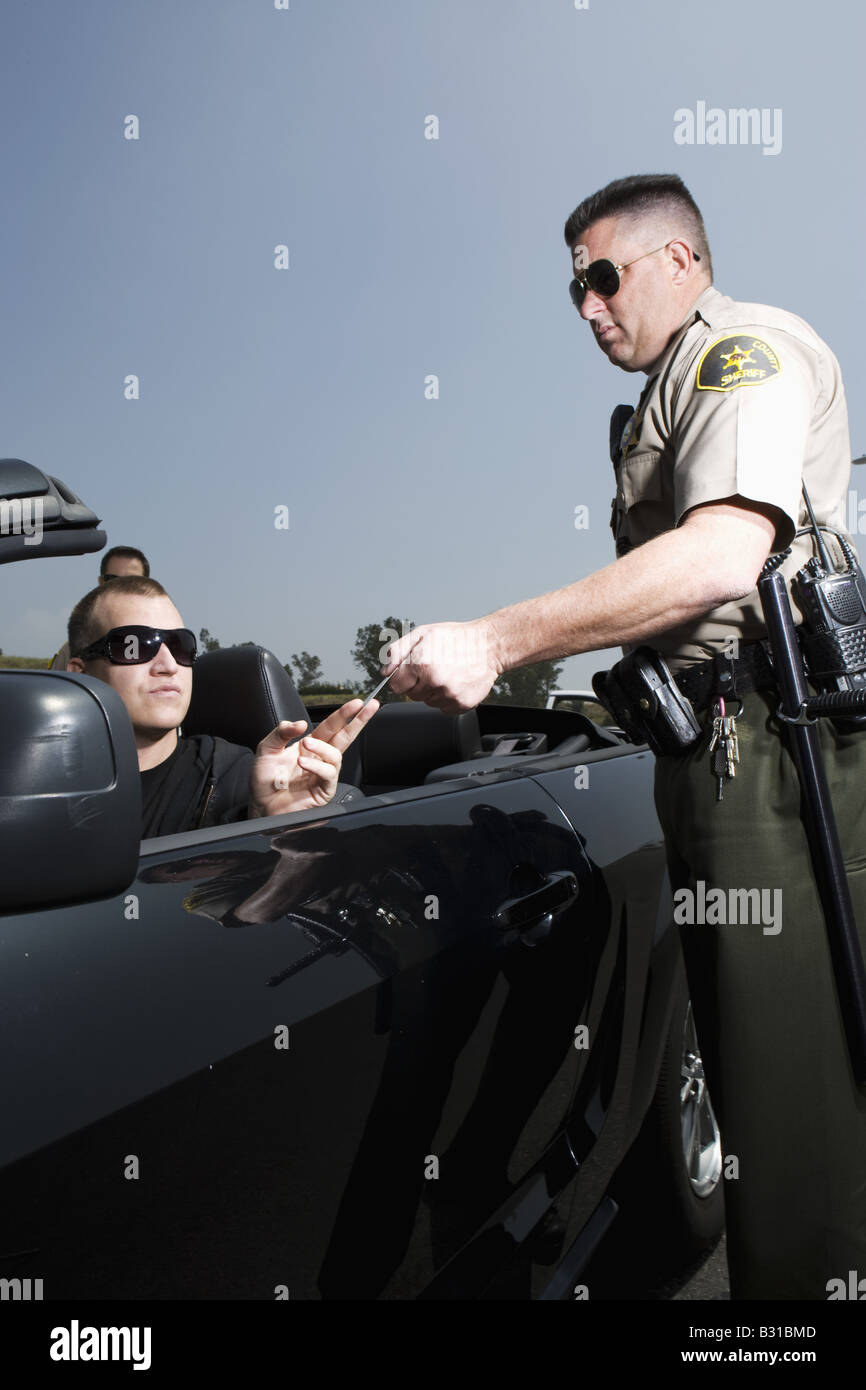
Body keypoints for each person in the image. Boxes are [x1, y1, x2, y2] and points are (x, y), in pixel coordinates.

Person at [382, 173, 866, 1300]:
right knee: (751, 1079)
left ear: (679, 261)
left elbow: (719, 555)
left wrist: (495, 640)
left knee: (786, 1099)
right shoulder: (657, 397)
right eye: (572, 290)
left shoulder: (733, 352)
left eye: (602, 276)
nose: (587, 306)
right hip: (710, 747)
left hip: (770, 752)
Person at [65, 575, 378, 838]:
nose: (168, 664)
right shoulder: (37, 783)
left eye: (180, 646)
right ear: (81, 674)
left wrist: (268, 825)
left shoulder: (238, 778)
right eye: (134, 646)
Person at [50, 545, 151, 670]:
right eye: (113, 580)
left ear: (147, 586)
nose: (122, 588)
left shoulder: (163, 646)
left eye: (132, 581)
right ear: (101, 583)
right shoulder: (74, 649)